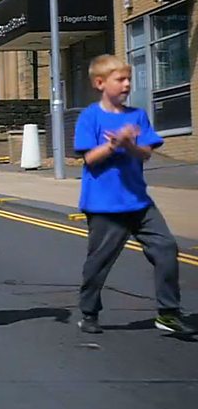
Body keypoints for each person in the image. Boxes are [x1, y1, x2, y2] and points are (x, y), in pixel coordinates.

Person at [73, 55, 193, 336]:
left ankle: (168, 313)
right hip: (104, 205)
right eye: (120, 79)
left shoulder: (137, 115)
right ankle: (89, 312)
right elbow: (89, 158)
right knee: (99, 262)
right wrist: (115, 145)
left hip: (139, 201)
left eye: (129, 79)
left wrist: (129, 144)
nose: (127, 84)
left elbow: (146, 153)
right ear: (100, 83)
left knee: (165, 248)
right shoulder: (90, 116)